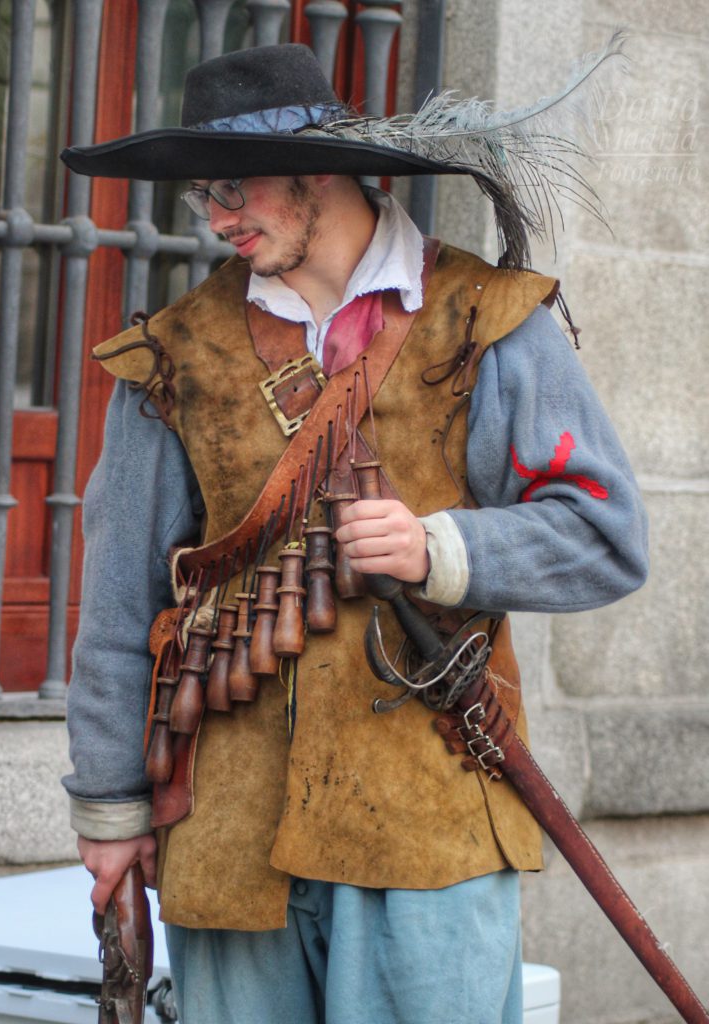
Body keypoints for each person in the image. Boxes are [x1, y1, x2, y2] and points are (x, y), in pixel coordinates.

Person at [61, 42, 647, 1023]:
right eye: (200, 194)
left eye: (235, 189)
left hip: (425, 822)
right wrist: (111, 814)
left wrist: (439, 550)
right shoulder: (172, 358)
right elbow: (122, 606)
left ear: (318, 171)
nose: (216, 219)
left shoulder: (485, 323)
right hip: (227, 838)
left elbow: (604, 533)